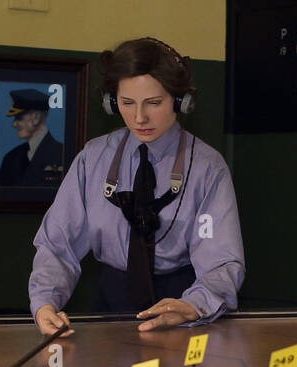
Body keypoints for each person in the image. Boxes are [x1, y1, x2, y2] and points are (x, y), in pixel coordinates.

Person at [28, 37, 245, 335]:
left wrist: (195, 304)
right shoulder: (93, 158)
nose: (139, 117)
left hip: (182, 307)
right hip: (111, 303)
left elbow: (222, 262)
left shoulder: (209, 168)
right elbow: (57, 245)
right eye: (127, 103)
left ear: (181, 101)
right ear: (111, 102)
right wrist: (44, 303)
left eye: (154, 103)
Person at [0, 88, 64, 186]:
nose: (14, 124)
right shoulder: (11, 158)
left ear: (35, 118)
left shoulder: (61, 154)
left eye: (18, 117)